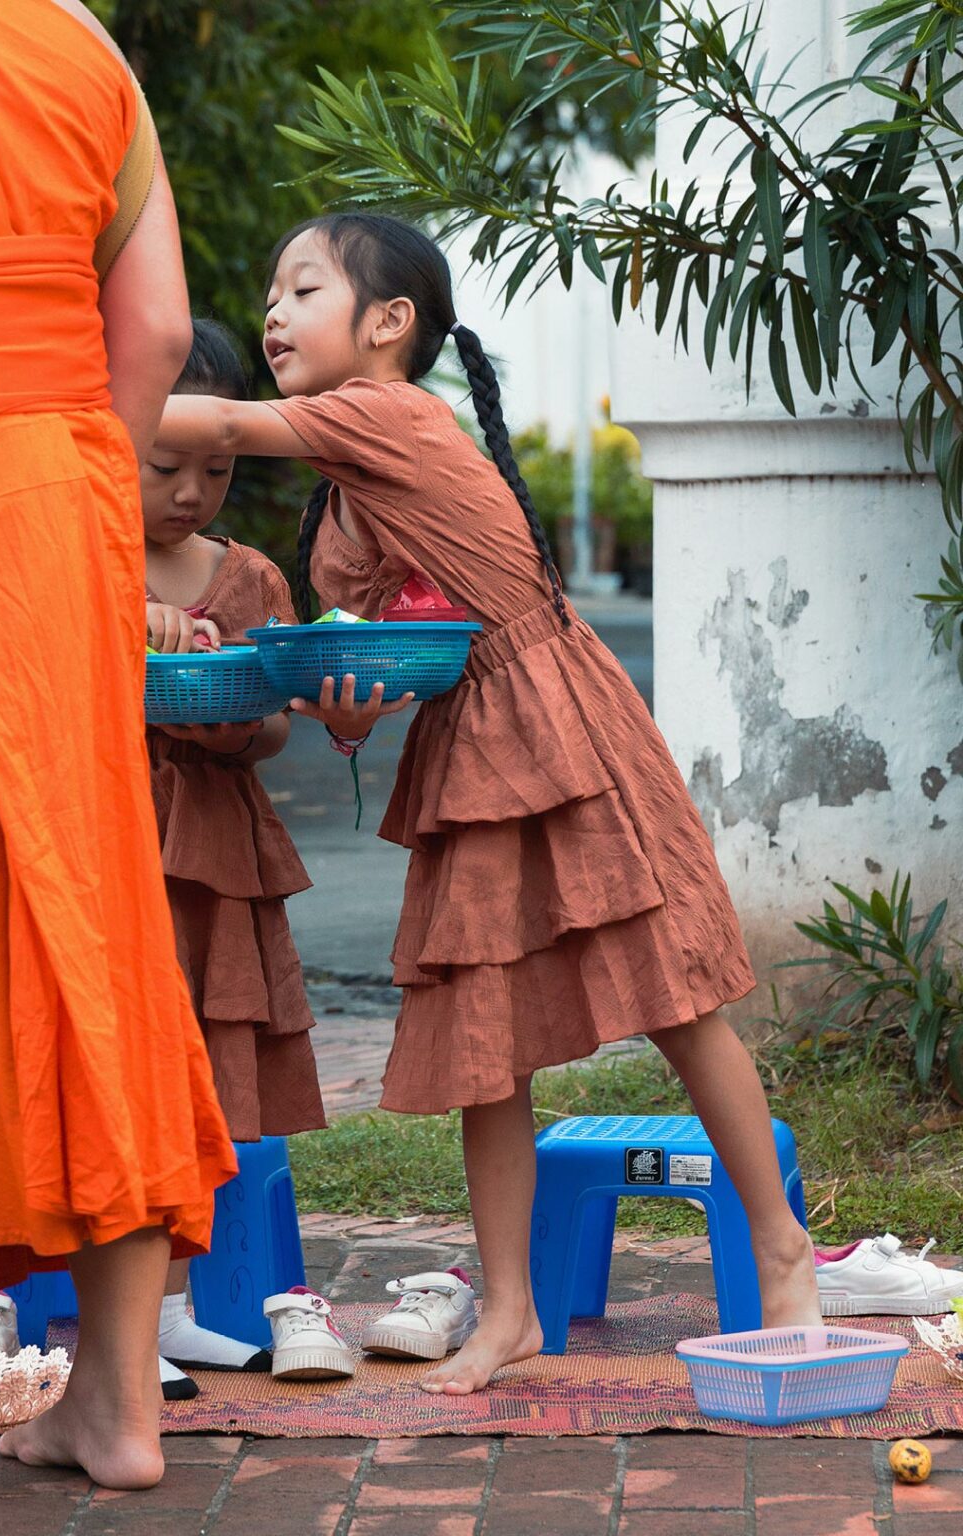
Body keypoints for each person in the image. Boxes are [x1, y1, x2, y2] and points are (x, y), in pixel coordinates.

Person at [157, 211, 822, 1397]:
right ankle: (507, 1310)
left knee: (674, 992)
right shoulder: (341, 509)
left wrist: (54, 396)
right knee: (485, 1040)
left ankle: (783, 1254)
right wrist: (343, 701)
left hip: (560, 724)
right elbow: (363, 700)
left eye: (298, 287)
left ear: (388, 326)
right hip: (469, 756)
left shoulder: (393, 414)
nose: (270, 312)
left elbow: (202, 421)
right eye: (268, 291)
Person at [0, 0, 236, 1487]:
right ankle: (118, 1407)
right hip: (48, 502)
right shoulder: (77, 43)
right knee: (88, 923)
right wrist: (72, 483)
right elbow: (163, 329)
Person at [142, 319, 326, 1396]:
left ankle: (166, 1318)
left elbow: (271, 728)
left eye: (216, 469)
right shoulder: (77, 552)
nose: (191, 492)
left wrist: (241, 701)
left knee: (200, 1074)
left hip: (214, 847)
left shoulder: (249, 577)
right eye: (165, 465)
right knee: (107, 1064)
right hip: (108, 836)